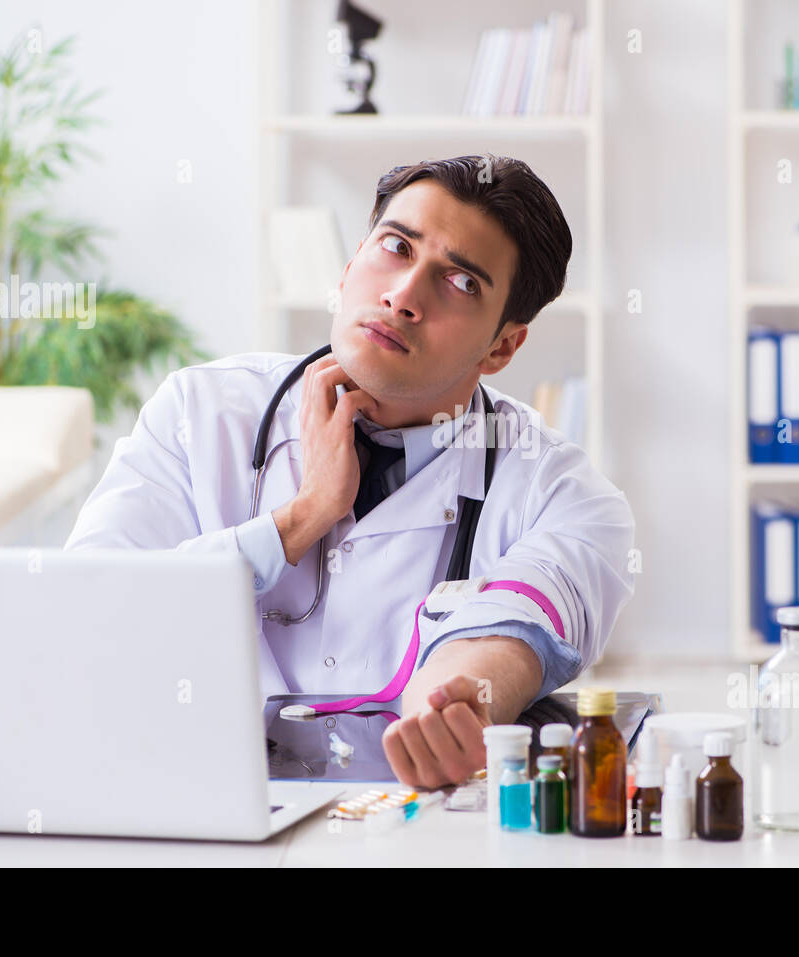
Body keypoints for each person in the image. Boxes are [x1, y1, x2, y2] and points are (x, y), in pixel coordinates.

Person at [65, 154, 635, 788]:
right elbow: (84, 612)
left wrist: (455, 708)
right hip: (194, 807)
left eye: (462, 283)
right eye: (396, 247)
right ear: (349, 267)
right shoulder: (198, 414)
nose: (404, 295)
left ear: (502, 346)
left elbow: (516, 624)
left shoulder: (562, 490)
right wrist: (301, 517)